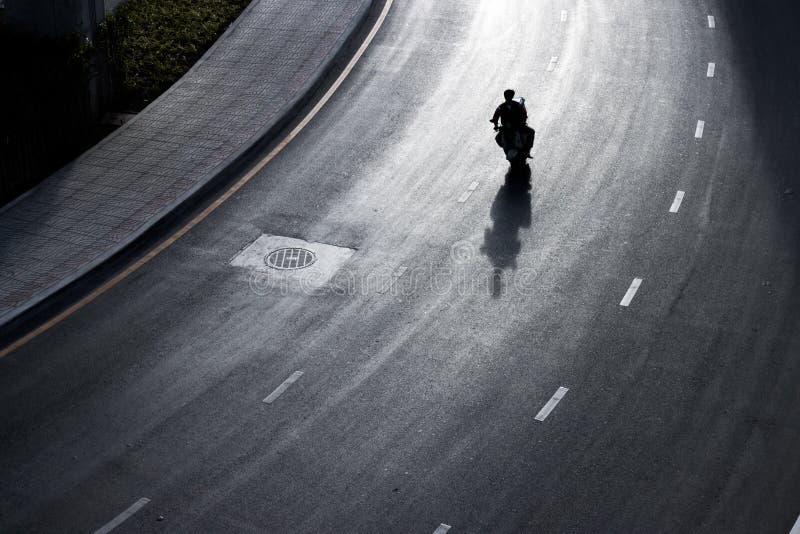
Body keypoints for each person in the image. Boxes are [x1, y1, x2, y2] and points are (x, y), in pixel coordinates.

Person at [490, 89, 534, 159]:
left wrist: (522, 122)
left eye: (509, 96)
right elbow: (495, 117)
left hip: (518, 126)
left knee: (531, 132)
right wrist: (496, 125)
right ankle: (506, 149)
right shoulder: (500, 107)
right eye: (506, 96)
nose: (507, 97)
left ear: (512, 96)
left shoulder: (518, 105)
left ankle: (527, 150)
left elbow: (524, 114)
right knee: (498, 138)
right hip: (506, 128)